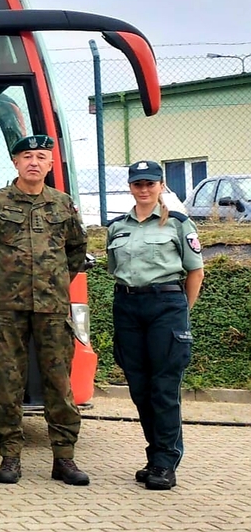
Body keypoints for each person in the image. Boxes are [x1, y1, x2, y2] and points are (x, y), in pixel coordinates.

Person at [0, 135, 91, 486]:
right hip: (7, 308)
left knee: (58, 383)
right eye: (26, 156)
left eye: (40, 157)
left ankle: (64, 458)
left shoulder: (62, 204)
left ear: (50, 164)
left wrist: (56, 281)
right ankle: (10, 457)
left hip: (52, 308)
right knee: (8, 383)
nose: (33, 162)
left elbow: (77, 249)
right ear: (15, 162)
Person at [106, 159, 204, 491]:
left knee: (164, 389)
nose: (144, 189)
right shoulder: (117, 227)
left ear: (161, 186)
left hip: (166, 306)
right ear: (130, 187)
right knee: (140, 389)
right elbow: (115, 269)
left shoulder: (178, 223)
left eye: (150, 183)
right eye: (138, 184)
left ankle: (165, 462)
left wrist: (181, 312)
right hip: (128, 307)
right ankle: (154, 457)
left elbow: (195, 271)